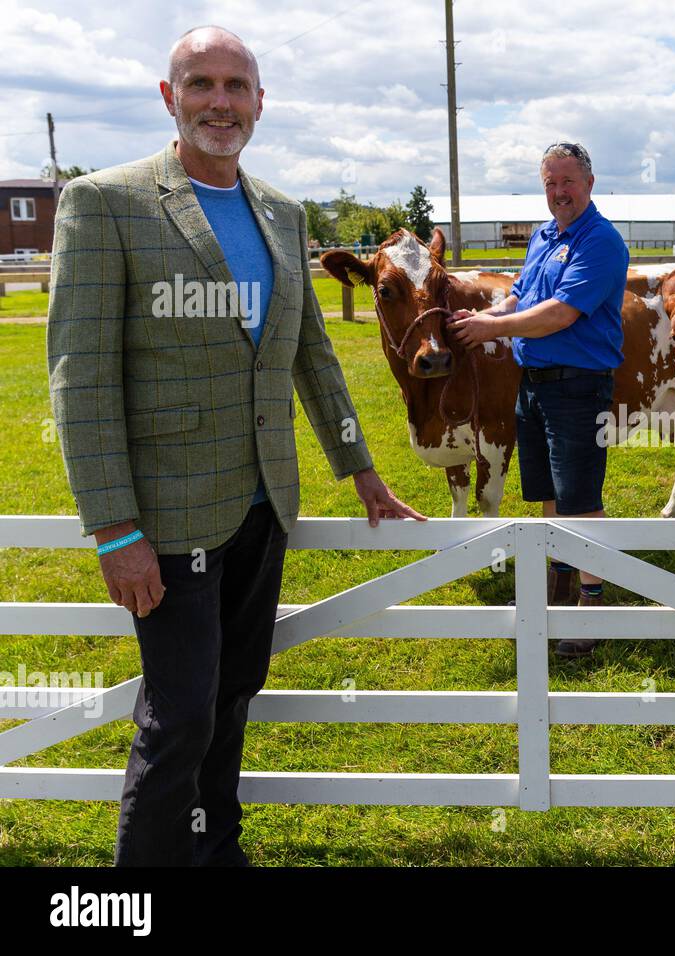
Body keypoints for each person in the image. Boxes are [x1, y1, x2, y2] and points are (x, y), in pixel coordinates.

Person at [46, 27, 425, 866]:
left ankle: (215, 852)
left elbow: (313, 357)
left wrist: (359, 465)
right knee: (180, 713)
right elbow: (80, 381)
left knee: (232, 694)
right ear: (169, 97)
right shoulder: (106, 202)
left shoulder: (283, 214)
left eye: (237, 86)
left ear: (260, 102)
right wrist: (114, 529)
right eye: (202, 84)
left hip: (265, 505)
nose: (221, 101)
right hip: (166, 519)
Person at [449, 142, 628, 657]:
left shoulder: (601, 241)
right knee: (548, 492)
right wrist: (488, 313)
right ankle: (560, 587)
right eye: (549, 183)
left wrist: (493, 328)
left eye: (568, 181)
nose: (558, 192)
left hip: (578, 385)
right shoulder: (544, 237)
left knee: (581, 499)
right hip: (535, 384)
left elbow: (559, 314)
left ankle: (591, 607)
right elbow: (523, 294)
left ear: (589, 184)